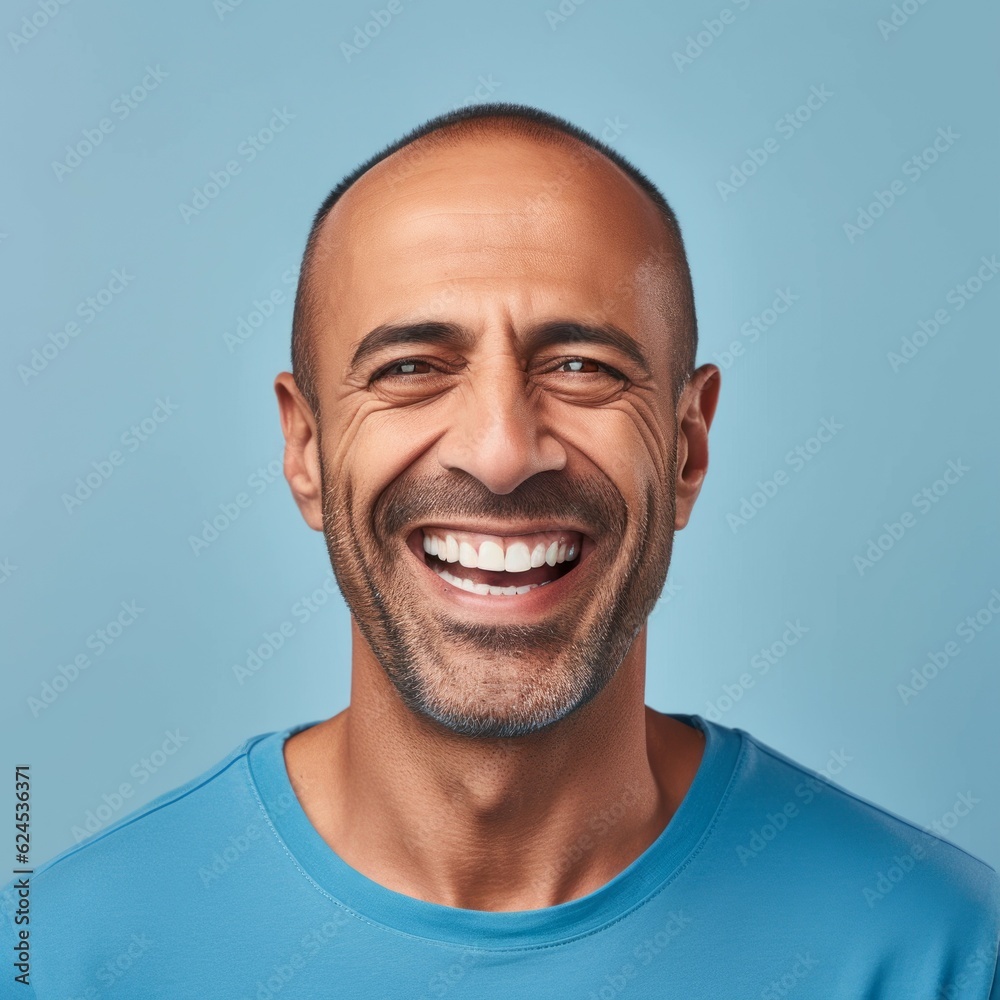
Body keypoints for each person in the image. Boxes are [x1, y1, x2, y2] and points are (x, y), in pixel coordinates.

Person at [3, 103, 997, 998]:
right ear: (304, 450)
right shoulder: (61, 959)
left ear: (687, 446)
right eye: (411, 368)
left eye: (579, 366)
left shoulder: (937, 956)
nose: (501, 451)